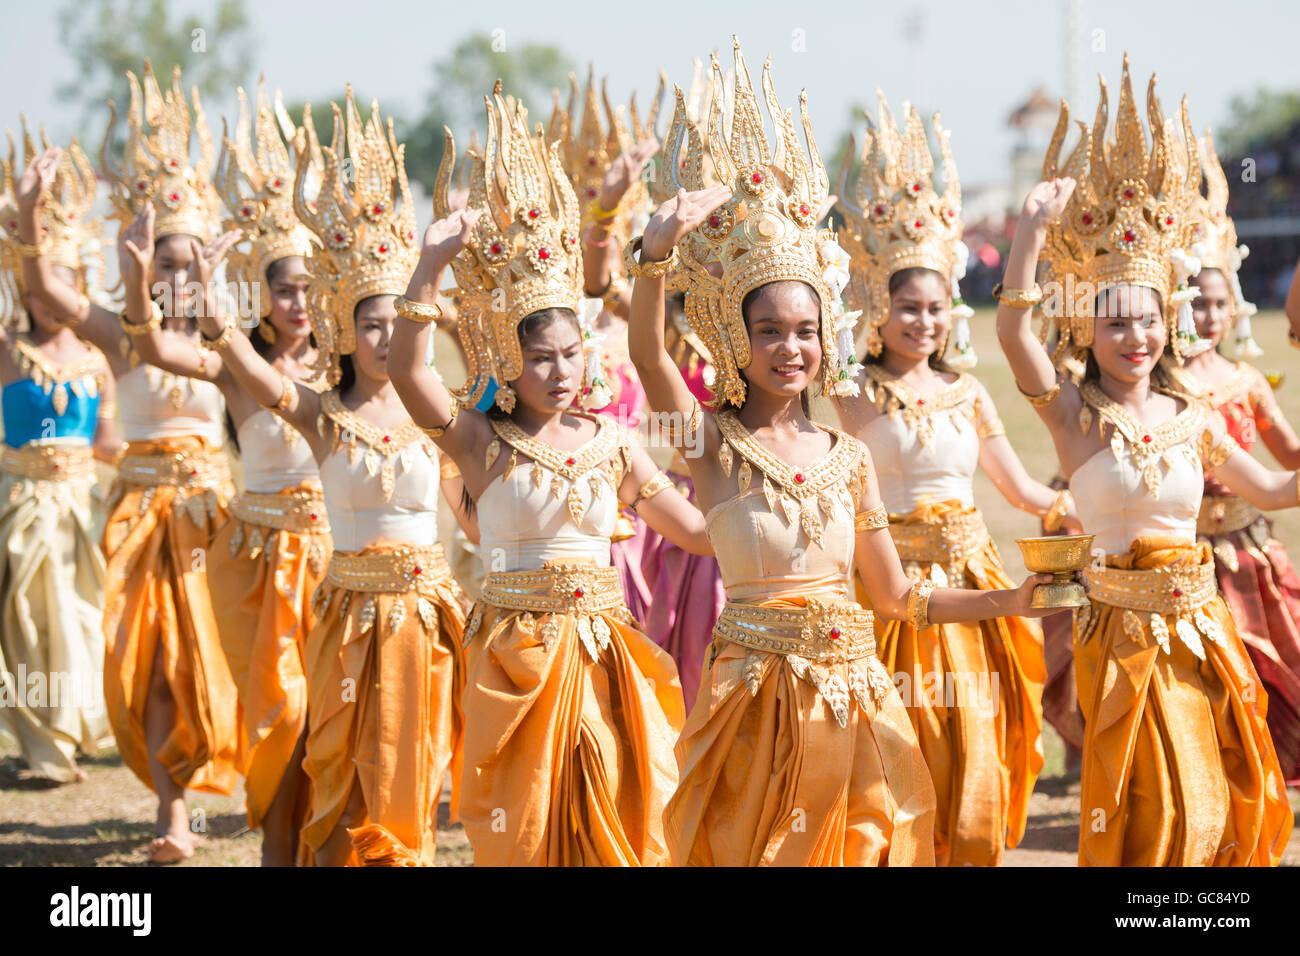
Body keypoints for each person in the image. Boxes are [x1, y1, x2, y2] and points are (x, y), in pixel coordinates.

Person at [627, 41, 1054, 867]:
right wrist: (653, 259)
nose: (792, 348)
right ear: (732, 339)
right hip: (751, 701)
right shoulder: (712, 445)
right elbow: (649, 360)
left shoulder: (846, 453)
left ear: (829, 340)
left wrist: (1014, 601)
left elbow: (897, 600)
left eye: (807, 331)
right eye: (770, 332)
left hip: (856, 695)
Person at [389, 85, 710, 866]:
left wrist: (788, 509)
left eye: (571, 353)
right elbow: (407, 370)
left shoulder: (616, 444)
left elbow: (698, 533)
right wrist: (429, 265)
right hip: (511, 656)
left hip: (604, 650)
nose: (560, 370)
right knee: (522, 829)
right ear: (507, 360)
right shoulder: (479, 443)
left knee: (615, 818)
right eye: (540, 357)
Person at [995, 56, 1293, 865]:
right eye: (1116, 324)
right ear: (1088, 333)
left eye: (1149, 321)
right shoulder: (1070, 415)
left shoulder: (1194, 415)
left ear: (1170, 323)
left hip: (1202, 629)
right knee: (1147, 806)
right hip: (1117, 635)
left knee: (1221, 791)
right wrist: (1029, 229)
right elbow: (1016, 333)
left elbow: (1275, 486)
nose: (1136, 339)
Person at [191, 89, 472, 866]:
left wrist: (436, 268)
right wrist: (217, 316)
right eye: (370, 323)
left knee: (412, 766)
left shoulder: (439, 416)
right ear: (346, 329)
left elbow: (476, 487)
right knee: (337, 758)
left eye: (396, 322)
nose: (384, 337)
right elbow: (254, 373)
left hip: (423, 614)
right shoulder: (321, 414)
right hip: (346, 613)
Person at [832, 94, 1069, 865]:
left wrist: (1077, 509)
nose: (925, 323)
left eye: (936, 308)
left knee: (975, 736)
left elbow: (1021, 491)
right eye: (907, 307)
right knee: (894, 746)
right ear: (879, 308)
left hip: (974, 581)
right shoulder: (852, 391)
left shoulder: (968, 392)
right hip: (887, 584)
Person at [21, 63, 241, 864]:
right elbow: (46, 282)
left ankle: (248, 788)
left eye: (188, 263)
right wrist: (22, 218)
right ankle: (170, 814)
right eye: (162, 262)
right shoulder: (117, 332)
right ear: (137, 262)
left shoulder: (224, 342)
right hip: (139, 515)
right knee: (153, 666)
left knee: (216, 664)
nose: (177, 275)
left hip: (215, 516)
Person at [120, 82, 332, 865]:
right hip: (255, 566)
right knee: (279, 713)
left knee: (333, 719)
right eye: (284, 288)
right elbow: (156, 350)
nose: (299, 301)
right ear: (261, 296)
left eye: (312, 287)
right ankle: (276, 851)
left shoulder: (350, 368)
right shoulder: (235, 367)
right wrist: (143, 282)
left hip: (338, 562)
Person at [1167, 127, 1300, 787]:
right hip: (1188, 557)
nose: (1209, 313)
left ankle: (1261, 783)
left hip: (1251, 552)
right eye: (1196, 300)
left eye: (1219, 301)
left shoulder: (1247, 382)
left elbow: (1290, 459)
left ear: (1235, 306)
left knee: (1273, 670)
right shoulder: (1160, 389)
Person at [0, 126, 117, 784]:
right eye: (37, 289)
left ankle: (68, 733)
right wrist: (26, 213)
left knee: (77, 616)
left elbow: (104, 442)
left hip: (79, 509)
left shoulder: (99, 359)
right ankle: (40, 743)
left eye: (60, 288)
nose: (46, 302)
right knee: (24, 619)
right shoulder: (6, 351)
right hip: (19, 509)